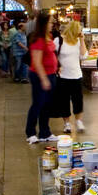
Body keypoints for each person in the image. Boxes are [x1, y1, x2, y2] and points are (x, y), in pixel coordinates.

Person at [25, 11, 58, 144]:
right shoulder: (38, 39)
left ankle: (45, 132)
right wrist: (43, 78)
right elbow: (37, 62)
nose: (52, 24)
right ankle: (30, 132)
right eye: (50, 22)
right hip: (40, 76)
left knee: (47, 105)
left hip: (51, 74)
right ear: (44, 23)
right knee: (38, 104)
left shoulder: (48, 37)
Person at [52, 19, 87, 133]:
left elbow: (83, 56)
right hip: (62, 76)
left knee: (78, 100)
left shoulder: (78, 41)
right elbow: (52, 53)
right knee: (64, 100)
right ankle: (66, 123)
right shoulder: (59, 40)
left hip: (76, 75)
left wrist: (82, 40)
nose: (80, 33)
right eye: (79, 31)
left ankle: (79, 121)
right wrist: (57, 66)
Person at [9, 19, 29, 83]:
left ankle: (24, 78)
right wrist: (25, 48)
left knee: (24, 65)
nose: (26, 28)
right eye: (25, 27)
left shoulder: (24, 34)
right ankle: (17, 77)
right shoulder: (17, 34)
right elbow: (18, 42)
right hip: (18, 53)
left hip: (24, 53)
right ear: (21, 27)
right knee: (18, 65)